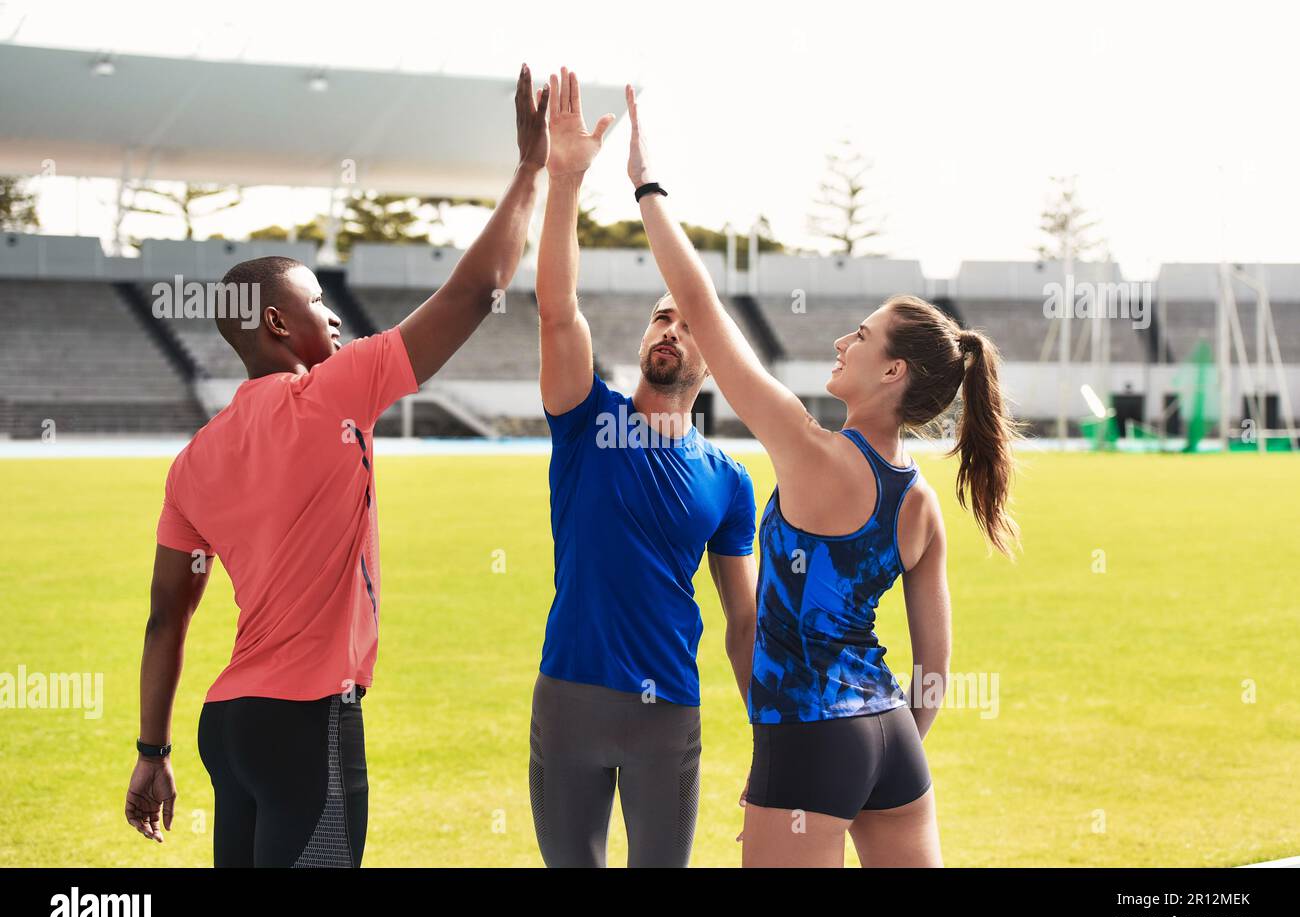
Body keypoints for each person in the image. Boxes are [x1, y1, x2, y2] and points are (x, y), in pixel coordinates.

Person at [123, 65, 551, 867]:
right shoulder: (334, 391)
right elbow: (474, 293)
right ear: (281, 323)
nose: (338, 319)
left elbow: (165, 618)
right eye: (323, 305)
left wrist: (152, 748)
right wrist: (530, 171)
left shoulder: (192, 462)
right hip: (309, 722)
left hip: (231, 725)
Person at [623, 85, 1021, 867]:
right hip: (893, 742)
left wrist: (647, 186)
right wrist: (881, 748)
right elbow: (935, 673)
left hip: (807, 736)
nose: (844, 339)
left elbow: (701, 307)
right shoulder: (920, 503)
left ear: (893, 371)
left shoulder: (809, 453)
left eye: (862, 336)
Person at [528, 68, 759, 868]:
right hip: (568, 698)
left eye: (690, 321)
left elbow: (744, 622)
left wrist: (771, 746)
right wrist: (565, 181)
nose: (671, 327)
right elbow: (558, 311)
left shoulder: (730, 481)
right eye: (663, 314)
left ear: (711, 352)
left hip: (670, 712)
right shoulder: (587, 417)